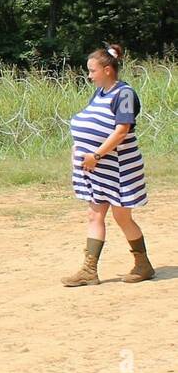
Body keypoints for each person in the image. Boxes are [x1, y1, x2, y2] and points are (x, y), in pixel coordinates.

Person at [63, 43, 154, 286]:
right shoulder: (101, 92)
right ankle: (89, 271)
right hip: (99, 167)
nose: (89, 76)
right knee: (94, 214)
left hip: (119, 167)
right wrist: (81, 149)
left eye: (92, 71)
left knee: (122, 216)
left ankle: (143, 265)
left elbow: (122, 130)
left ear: (107, 70)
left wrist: (96, 155)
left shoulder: (124, 94)